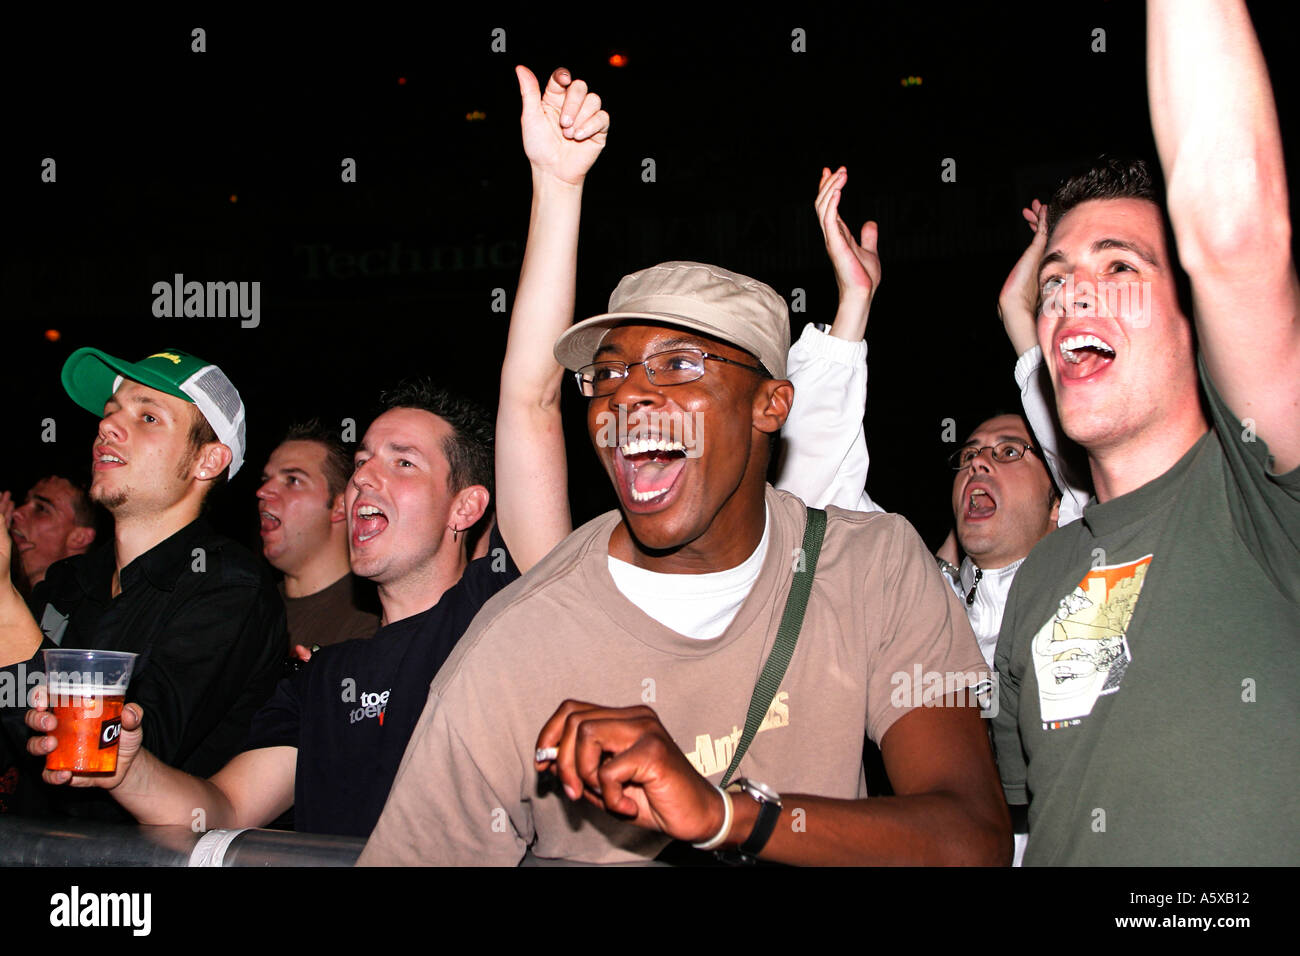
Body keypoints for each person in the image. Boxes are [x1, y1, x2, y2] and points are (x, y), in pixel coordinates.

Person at [20, 64, 610, 838]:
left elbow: (531, 399)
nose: (366, 472)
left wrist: (557, 189)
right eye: (363, 457)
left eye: (404, 462)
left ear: (469, 505)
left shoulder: (504, 608)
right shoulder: (322, 679)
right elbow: (217, 812)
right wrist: (128, 767)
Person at [359, 259, 1010, 866]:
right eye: (607, 374)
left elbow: (971, 833)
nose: (626, 397)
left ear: (770, 404)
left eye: (678, 363)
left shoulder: (871, 567)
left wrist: (725, 813)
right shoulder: (514, 646)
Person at [992, 0, 1300, 865]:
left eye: (1118, 268)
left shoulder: (1266, 498)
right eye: (1056, 282)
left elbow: (1235, 232)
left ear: (1196, 317)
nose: (1073, 300)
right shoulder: (1039, 577)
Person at [0, 347, 285, 820]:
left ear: (208, 460)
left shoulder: (229, 588)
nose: (106, 427)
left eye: (148, 417)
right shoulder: (68, 583)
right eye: (111, 414)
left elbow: (106, 758)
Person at [256, 421, 378, 657]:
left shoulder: (371, 622)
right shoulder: (246, 607)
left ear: (341, 506)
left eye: (292, 480)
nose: (263, 492)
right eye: (265, 480)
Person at [0, 477, 98, 595]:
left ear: (79, 538)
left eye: (41, 509)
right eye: (25, 501)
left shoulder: (90, 609)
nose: (17, 512)